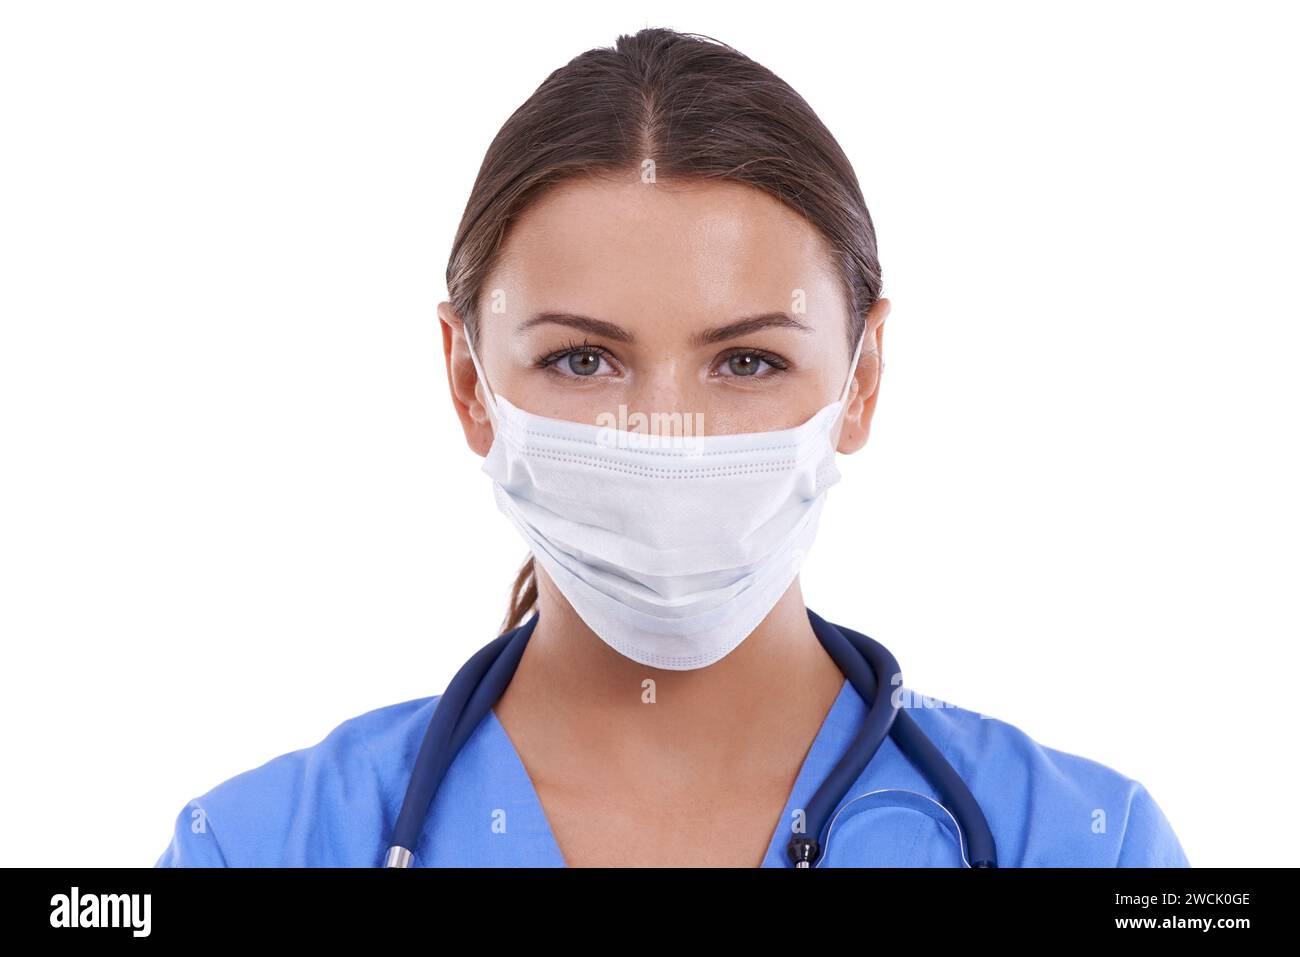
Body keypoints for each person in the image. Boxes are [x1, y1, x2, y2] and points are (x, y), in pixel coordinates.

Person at [155, 26, 1188, 868]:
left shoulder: (1086, 850)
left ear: (861, 380)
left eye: (745, 363)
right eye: (581, 361)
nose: (665, 433)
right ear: (469, 382)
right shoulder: (259, 848)